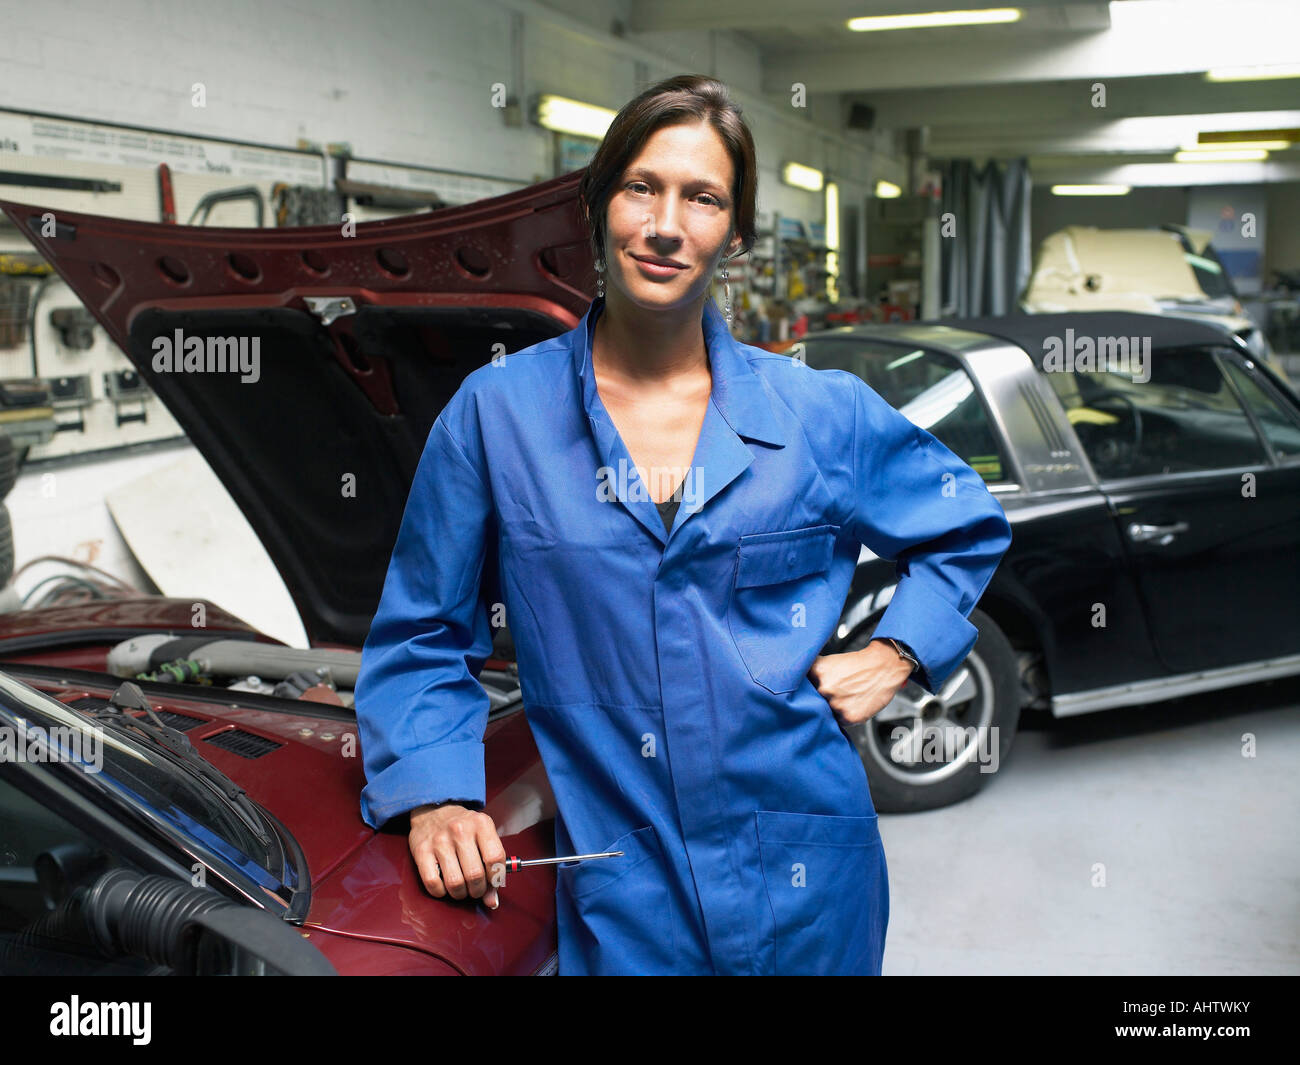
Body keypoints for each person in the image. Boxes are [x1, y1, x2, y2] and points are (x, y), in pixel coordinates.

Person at [353, 73, 1013, 975]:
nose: (667, 224)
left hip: (807, 871)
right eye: (642, 187)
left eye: (703, 198)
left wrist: (896, 653)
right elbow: (424, 627)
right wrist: (434, 793)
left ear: (734, 232)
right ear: (599, 206)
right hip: (624, 889)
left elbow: (963, 522)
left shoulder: (822, 414)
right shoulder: (496, 415)